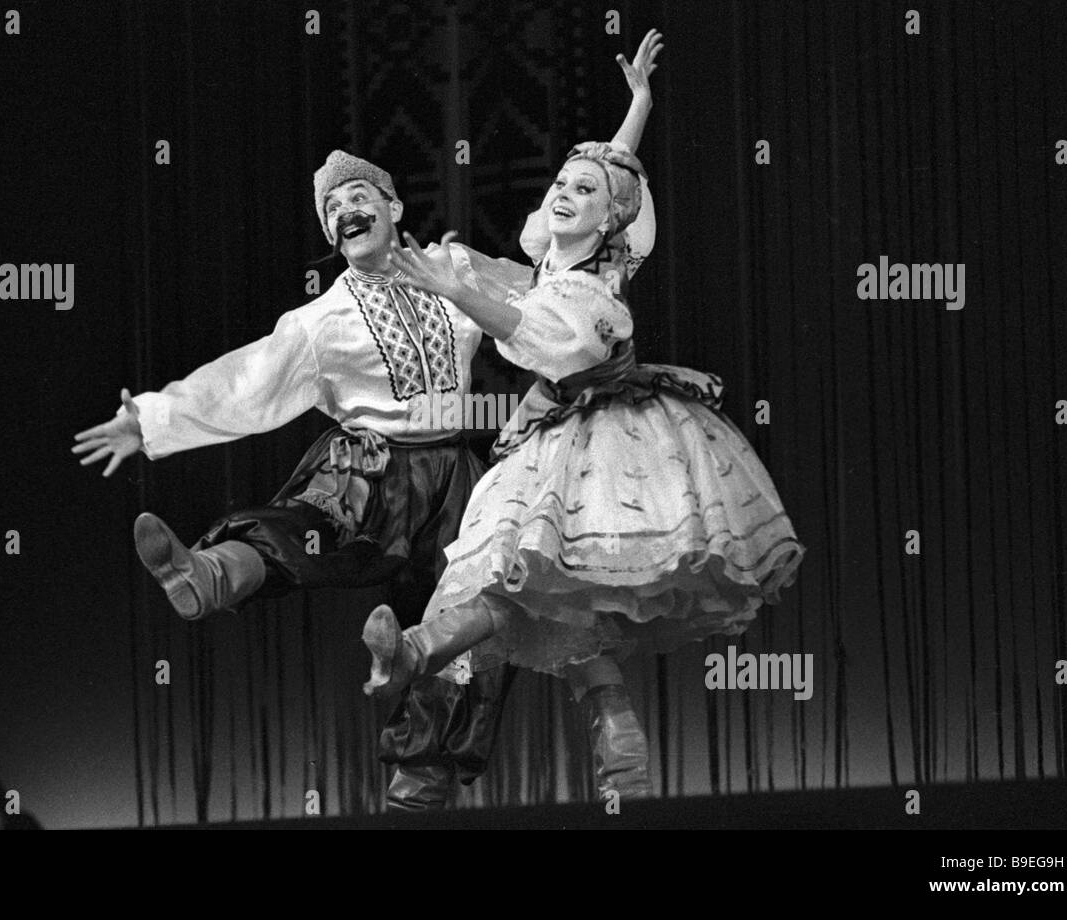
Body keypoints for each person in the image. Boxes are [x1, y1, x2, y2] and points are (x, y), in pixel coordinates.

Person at [70, 32, 664, 809]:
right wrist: (149, 421)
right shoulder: (322, 322)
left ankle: (422, 780)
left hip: (457, 476)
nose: (347, 211)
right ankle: (210, 576)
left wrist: (597, 283)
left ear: (392, 208)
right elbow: (246, 381)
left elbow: (541, 288)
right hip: (371, 469)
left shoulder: (451, 267)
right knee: (303, 528)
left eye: (359, 198)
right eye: (334, 209)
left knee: (467, 620)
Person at [360, 29, 807, 802]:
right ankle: (608, 729)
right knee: (536, 582)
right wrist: (637, 106)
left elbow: (538, 338)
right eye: (561, 181)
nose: (565, 192)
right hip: (548, 433)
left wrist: (456, 289)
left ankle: (422, 656)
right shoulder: (557, 260)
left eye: (584, 193)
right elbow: (601, 190)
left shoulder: (594, 296)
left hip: (608, 444)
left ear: (611, 224)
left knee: (526, 570)